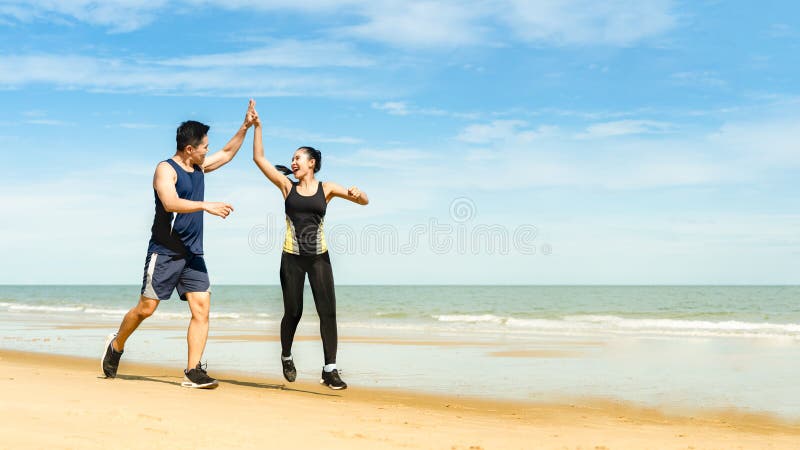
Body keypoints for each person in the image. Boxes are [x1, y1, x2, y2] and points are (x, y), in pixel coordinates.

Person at [101, 100, 258, 389]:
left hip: (193, 253)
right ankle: (117, 344)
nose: (207, 150)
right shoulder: (166, 170)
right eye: (204, 147)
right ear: (189, 149)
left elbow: (227, 153)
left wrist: (245, 126)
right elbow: (170, 202)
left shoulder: (199, 166)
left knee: (202, 309)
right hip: (165, 252)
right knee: (146, 309)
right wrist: (206, 205)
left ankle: (192, 370)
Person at [250, 101, 368, 390]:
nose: (293, 162)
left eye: (298, 158)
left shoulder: (326, 188)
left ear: (311, 162)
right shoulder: (286, 186)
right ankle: (287, 355)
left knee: (328, 313)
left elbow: (363, 201)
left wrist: (359, 193)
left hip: (319, 258)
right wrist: (258, 127)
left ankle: (330, 369)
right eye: (292, 158)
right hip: (291, 258)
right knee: (294, 312)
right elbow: (259, 158)